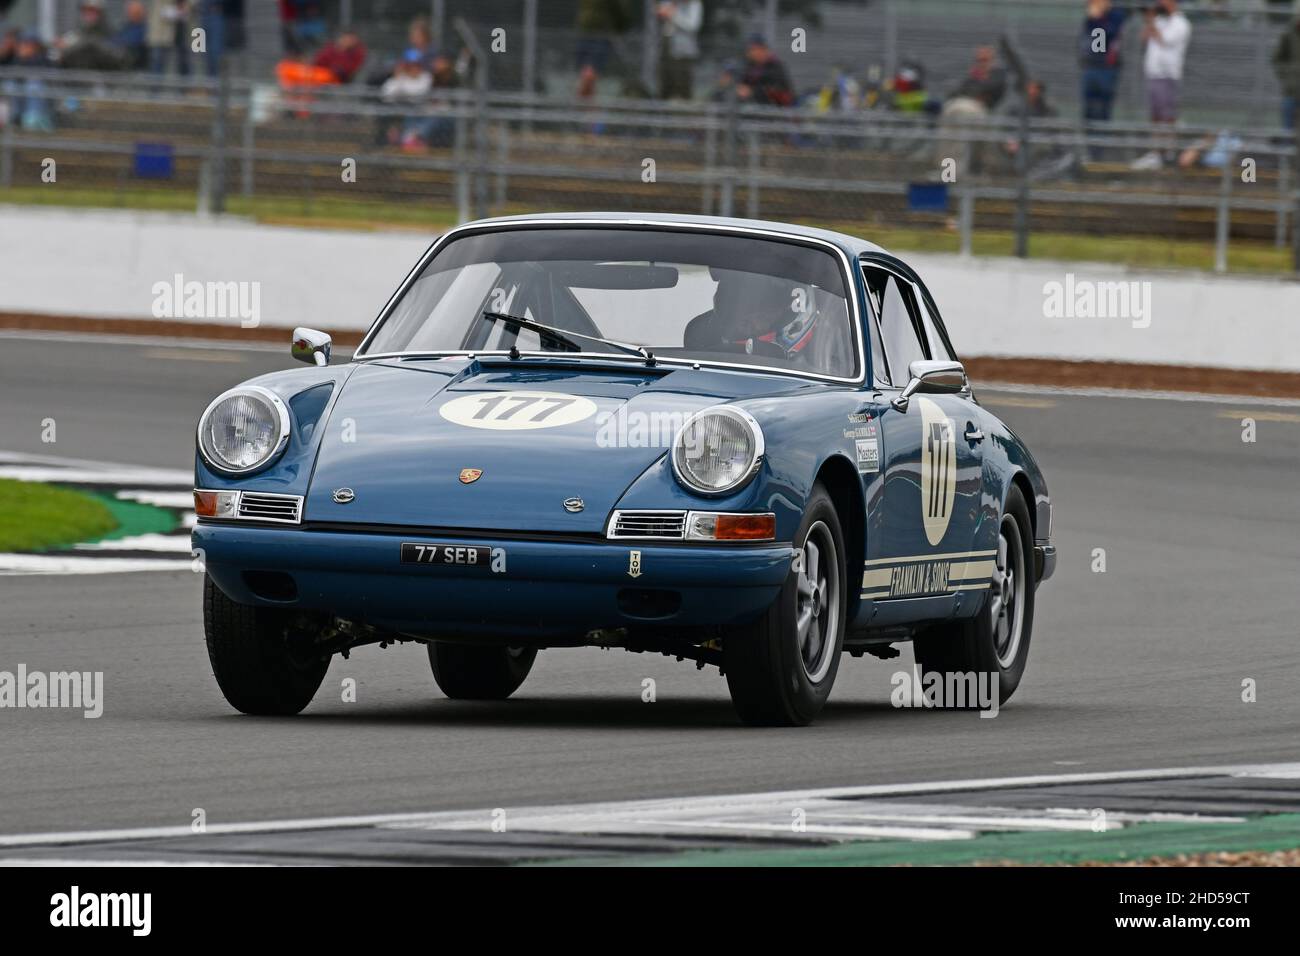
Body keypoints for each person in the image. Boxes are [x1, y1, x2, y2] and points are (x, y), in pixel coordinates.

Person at [1136, 0, 1191, 167]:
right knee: (1155, 116)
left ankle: (1168, 152)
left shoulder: (1181, 23)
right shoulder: (1160, 21)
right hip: (1153, 74)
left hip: (1168, 76)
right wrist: (1150, 20)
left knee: (1167, 117)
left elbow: (1165, 40)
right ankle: (1156, 152)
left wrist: (1152, 22)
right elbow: (1143, 38)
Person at [1080, 0, 1127, 123]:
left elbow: (1100, 43)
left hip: (1106, 68)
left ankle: (1102, 139)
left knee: (1103, 109)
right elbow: (1089, 38)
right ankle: (1089, 139)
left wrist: (1098, 18)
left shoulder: (1116, 15)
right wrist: (1094, 19)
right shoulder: (1092, 18)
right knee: (1089, 109)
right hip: (1091, 66)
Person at [656, 1, 702, 100]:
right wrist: (661, 13)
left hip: (683, 52)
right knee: (665, 81)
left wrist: (673, 15)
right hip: (666, 46)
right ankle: (662, 110)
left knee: (682, 84)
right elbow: (660, 15)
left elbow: (692, 25)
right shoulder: (669, 2)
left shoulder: (694, 4)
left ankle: (683, 111)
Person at [737, 34, 794, 106]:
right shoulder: (750, 66)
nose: (751, 53)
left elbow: (777, 90)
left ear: (764, 50)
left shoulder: (775, 66)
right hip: (754, 108)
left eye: (755, 49)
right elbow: (742, 84)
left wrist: (752, 91)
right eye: (750, 50)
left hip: (776, 110)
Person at [951, 45, 1006, 110]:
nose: (982, 64)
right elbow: (956, 93)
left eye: (985, 60)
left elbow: (989, 87)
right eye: (979, 61)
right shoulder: (971, 80)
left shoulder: (1000, 76)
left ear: (992, 62)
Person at [1273, 8, 1300, 129]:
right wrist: (1288, 77)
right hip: (1292, 90)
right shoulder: (1288, 34)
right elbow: (1277, 59)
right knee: (1288, 127)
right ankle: (1287, 144)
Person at [146, 0, 189, 76]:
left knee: (184, 63)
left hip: (183, 27)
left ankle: (184, 87)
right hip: (162, 28)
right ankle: (156, 87)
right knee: (158, 62)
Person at [116, 1, 149, 70]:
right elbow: (117, 38)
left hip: (133, 62)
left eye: (133, 12)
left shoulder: (142, 28)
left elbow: (132, 42)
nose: (129, 14)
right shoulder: (127, 26)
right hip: (120, 58)